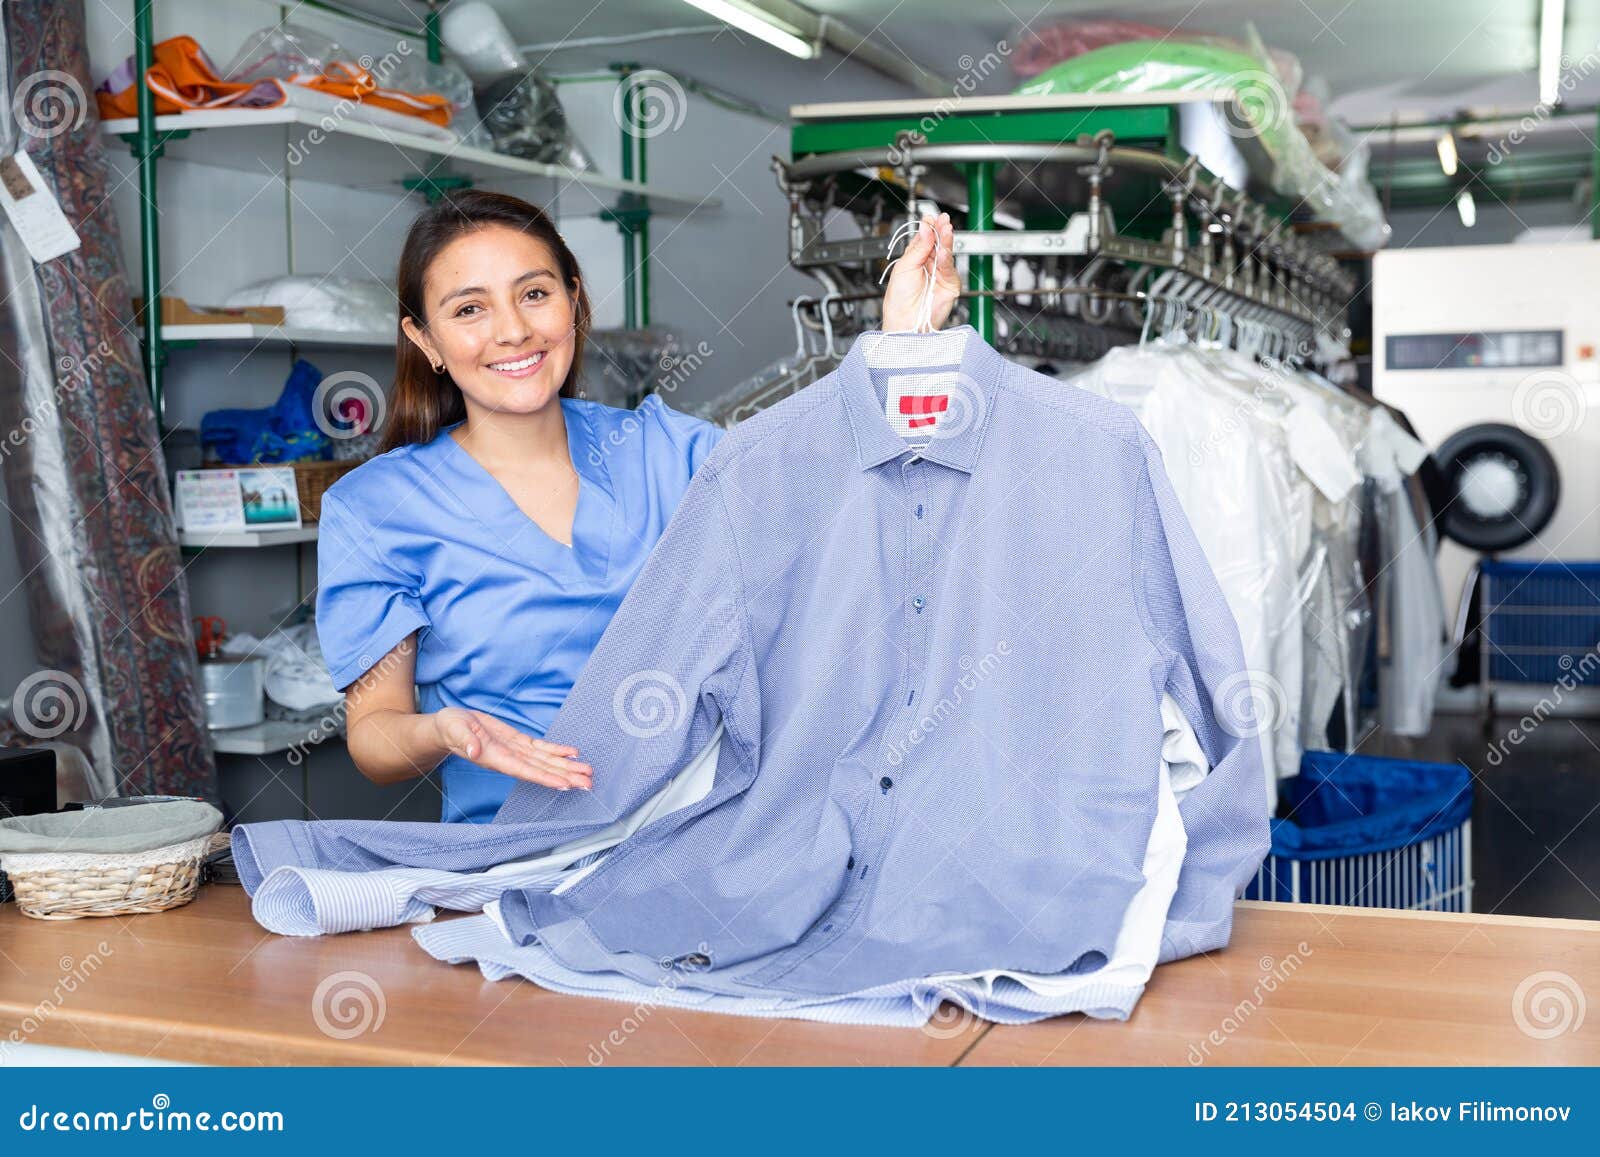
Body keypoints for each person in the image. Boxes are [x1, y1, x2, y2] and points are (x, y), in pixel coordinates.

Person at [318, 189, 957, 822]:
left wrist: (904, 347)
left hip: (704, 845)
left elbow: (837, 488)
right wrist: (445, 732)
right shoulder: (375, 509)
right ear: (425, 339)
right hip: (516, 864)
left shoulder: (664, 451)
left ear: (575, 302)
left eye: (535, 294)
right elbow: (375, 734)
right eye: (469, 310)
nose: (512, 330)